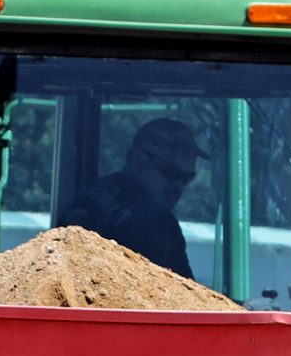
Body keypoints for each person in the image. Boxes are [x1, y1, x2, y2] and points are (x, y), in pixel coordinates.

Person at [61, 117, 199, 279]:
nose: (178, 186)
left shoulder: (90, 194)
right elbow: (184, 298)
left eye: (187, 178)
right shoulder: (159, 224)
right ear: (138, 158)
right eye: (171, 172)